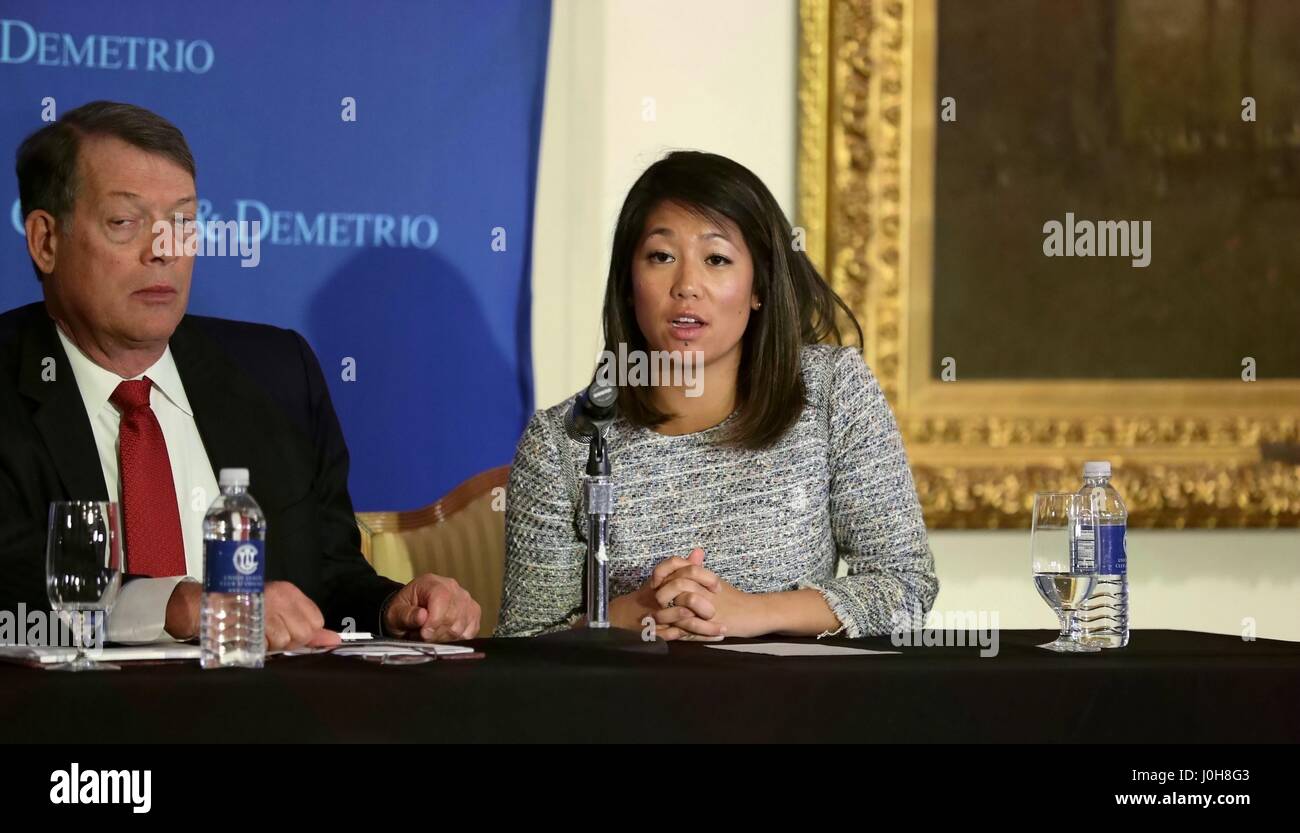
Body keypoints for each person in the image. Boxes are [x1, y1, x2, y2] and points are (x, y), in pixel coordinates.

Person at [0, 101, 479, 648]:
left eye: (183, 222)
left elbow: (327, 578)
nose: (164, 250)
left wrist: (391, 607)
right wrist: (180, 606)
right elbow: (13, 589)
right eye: (124, 222)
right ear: (45, 241)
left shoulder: (278, 373)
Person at [499, 150, 938, 640]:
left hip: (792, 708)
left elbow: (907, 593)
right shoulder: (564, 440)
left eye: (717, 259)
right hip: (623, 712)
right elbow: (521, 646)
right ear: (628, 283)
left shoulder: (833, 391)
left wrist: (753, 612)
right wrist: (619, 617)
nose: (687, 286)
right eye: (661, 257)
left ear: (758, 288)